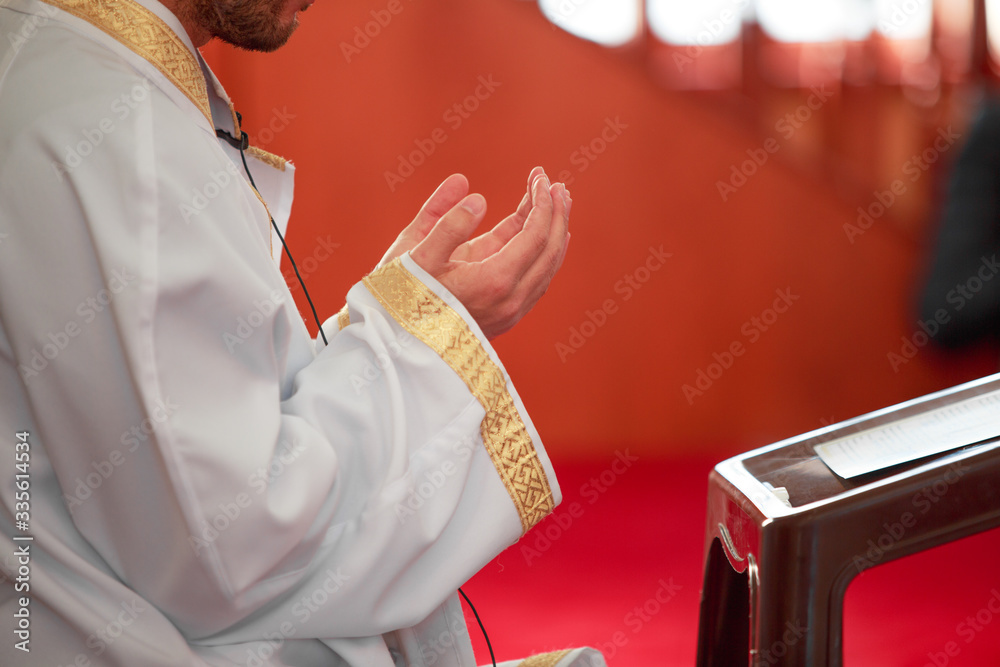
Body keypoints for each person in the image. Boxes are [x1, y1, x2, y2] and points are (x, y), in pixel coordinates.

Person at [0, 0, 602, 664]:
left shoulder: (57, 61)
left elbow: (193, 435)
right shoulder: (114, 130)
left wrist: (384, 320)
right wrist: (425, 336)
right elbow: (234, 544)